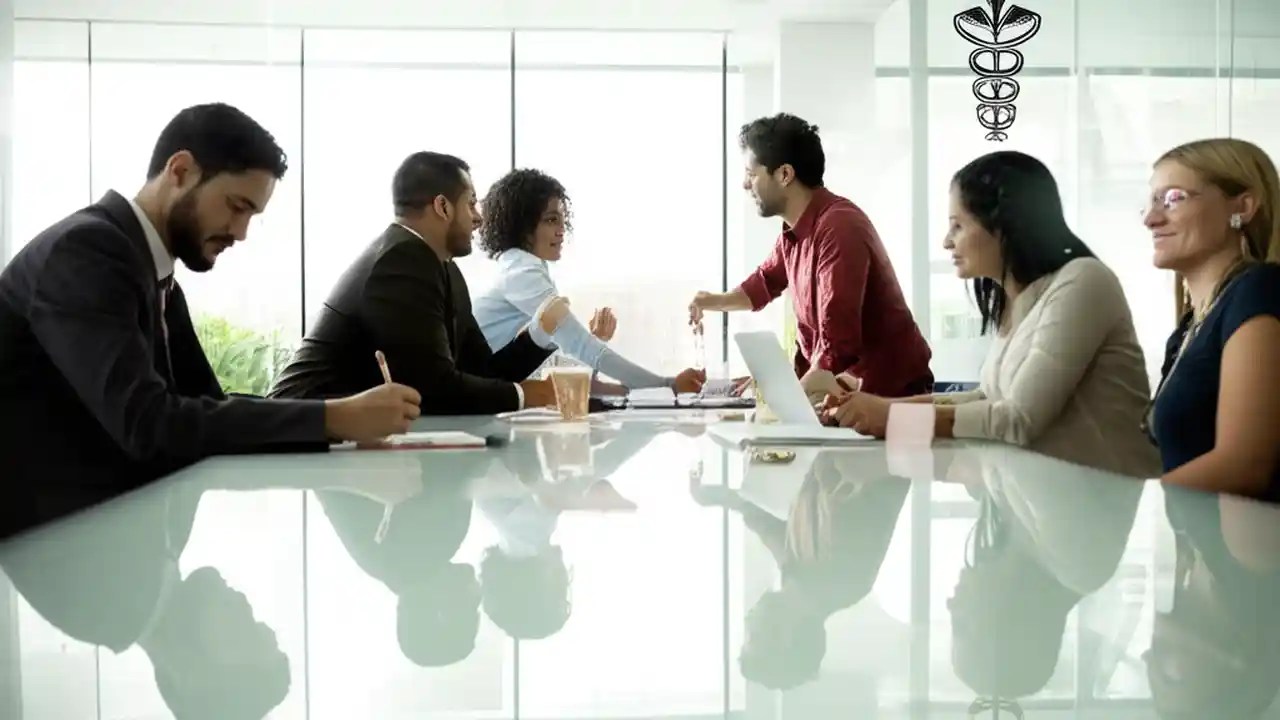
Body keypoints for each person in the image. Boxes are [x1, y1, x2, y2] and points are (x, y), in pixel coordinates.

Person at [0, 103, 418, 535]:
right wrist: (334, 418)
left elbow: (205, 404)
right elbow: (148, 423)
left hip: (109, 537)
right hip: (49, 552)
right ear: (179, 170)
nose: (240, 232)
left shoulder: (156, 276)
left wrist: (339, 419)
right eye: (237, 207)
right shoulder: (87, 252)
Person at [825, 151, 1160, 478]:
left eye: (957, 226)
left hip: (1099, 503)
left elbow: (1017, 420)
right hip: (1044, 496)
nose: (946, 241)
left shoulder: (1084, 282)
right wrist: (869, 407)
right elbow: (986, 397)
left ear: (1002, 225)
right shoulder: (1018, 300)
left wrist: (891, 417)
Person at [269, 152, 563, 415]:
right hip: (302, 433)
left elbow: (482, 372)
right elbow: (432, 388)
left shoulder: (443, 269)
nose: (478, 219)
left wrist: (539, 334)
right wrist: (525, 395)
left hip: (358, 444)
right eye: (471, 204)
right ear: (442, 207)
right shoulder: (401, 260)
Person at [686, 113, 932, 398]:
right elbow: (763, 284)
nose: (744, 184)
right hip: (846, 398)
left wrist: (782, 396)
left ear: (785, 175)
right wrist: (710, 301)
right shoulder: (794, 234)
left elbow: (837, 343)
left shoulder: (840, 227)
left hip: (890, 402)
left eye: (752, 174)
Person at [473, 168, 705, 394]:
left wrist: (652, 387)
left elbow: (562, 370)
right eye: (551, 220)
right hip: (477, 399)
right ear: (522, 226)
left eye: (562, 220)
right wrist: (667, 385)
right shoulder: (522, 272)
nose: (562, 230)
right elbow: (582, 347)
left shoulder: (522, 267)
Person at [1143, 138, 1280, 498]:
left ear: (1243, 206)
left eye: (1173, 198)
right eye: (1151, 202)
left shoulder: (1258, 290)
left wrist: (1140, 502)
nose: (1151, 218)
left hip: (1250, 551)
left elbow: (1243, 464)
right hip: (1205, 548)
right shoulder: (1190, 326)